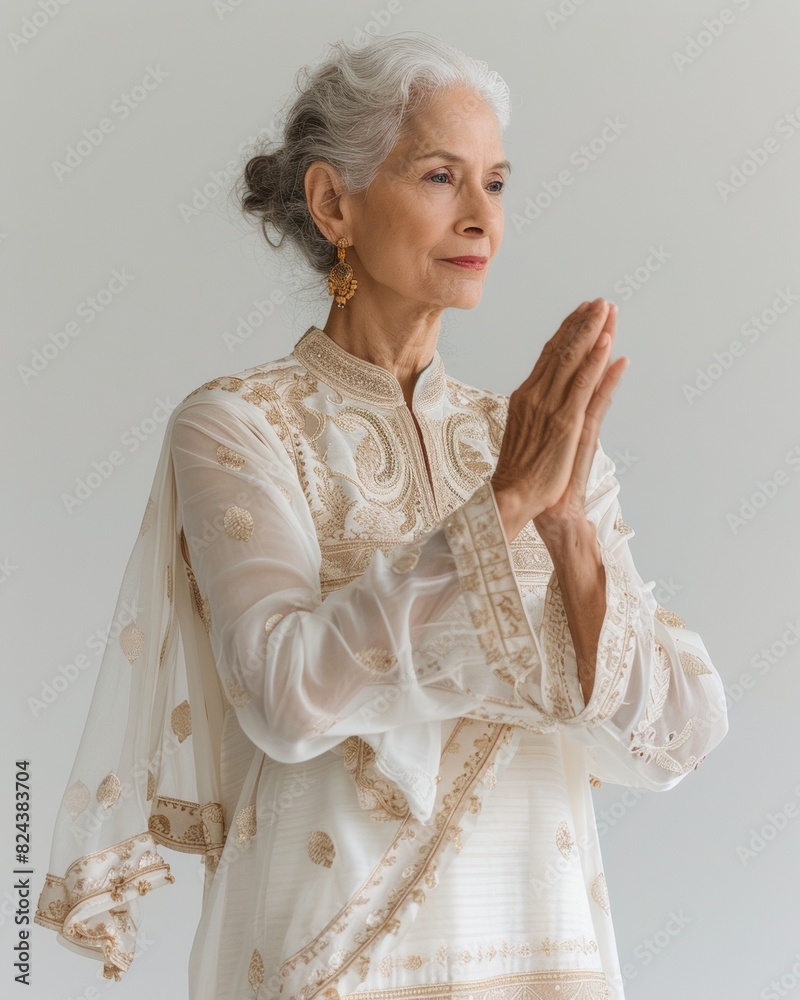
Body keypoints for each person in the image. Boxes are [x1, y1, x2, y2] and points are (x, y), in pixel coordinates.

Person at [34, 30, 729, 1000]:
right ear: (334, 202)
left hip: (540, 952)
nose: (481, 215)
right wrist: (495, 515)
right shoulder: (237, 425)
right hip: (326, 959)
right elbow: (284, 695)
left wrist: (565, 528)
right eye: (442, 176)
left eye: (495, 181)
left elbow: (675, 737)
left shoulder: (525, 437)